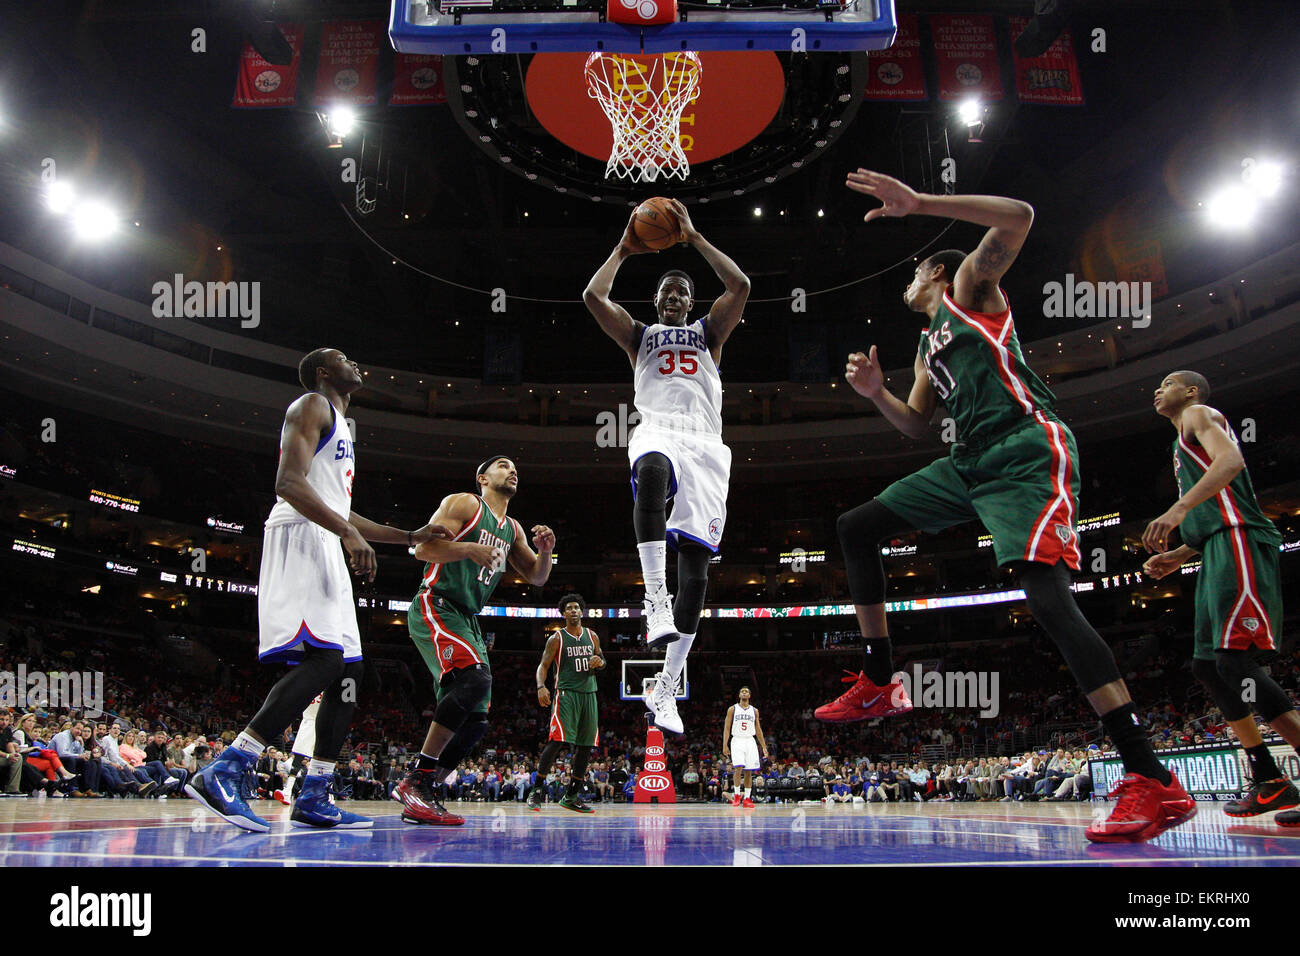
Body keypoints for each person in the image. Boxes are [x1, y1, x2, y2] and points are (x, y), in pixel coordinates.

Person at [817, 169, 1195, 844]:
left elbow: (1018, 214)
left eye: (912, 276)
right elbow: (916, 426)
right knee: (858, 526)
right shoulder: (926, 347)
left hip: (1025, 452)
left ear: (934, 270)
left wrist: (922, 204)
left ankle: (1151, 776)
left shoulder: (968, 290)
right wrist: (877, 393)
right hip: (969, 464)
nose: (906, 287)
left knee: (1047, 600)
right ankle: (880, 676)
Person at [187, 348, 450, 832]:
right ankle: (228, 767)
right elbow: (288, 483)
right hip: (301, 533)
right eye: (346, 359)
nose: (358, 364)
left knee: (350, 668)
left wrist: (410, 536)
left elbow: (341, 509)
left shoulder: (345, 428)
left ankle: (314, 793)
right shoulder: (311, 405)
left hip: (326, 533)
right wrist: (346, 534)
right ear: (325, 372)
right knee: (325, 660)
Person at [583, 200, 751, 735]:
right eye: (665, 292)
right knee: (650, 473)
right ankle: (653, 597)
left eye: (681, 290)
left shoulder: (711, 334)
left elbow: (740, 286)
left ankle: (664, 687)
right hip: (659, 430)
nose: (673, 296)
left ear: (691, 300)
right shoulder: (639, 336)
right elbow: (593, 296)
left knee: (697, 578)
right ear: (655, 302)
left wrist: (696, 239)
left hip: (707, 445)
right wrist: (624, 248)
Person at [1144, 371, 1300, 825]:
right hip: (1216, 545)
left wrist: (1178, 509)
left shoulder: (1199, 414)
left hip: (1240, 541)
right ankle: (1269, 779)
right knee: (1207, 666)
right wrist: (1179, 552)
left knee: (1235, 663)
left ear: (1190, 391)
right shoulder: (1181, 443)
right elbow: (1219, 504)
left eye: (1168, 382)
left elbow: (1230, 462)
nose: (1158, 389)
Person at [393, 456, 555, 825]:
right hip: (437, 602)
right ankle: (415, 778)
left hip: (467, 617)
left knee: (477, 719)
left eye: (516, 467)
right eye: (502, 465)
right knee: (475, 678)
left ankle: (424, 790)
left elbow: (537, 577)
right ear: (482, 478)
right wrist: (468, 549)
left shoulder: (512, 529)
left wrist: (545, 551)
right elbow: (423, 548)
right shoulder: (465, 503)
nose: (512, 470)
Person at [529, 593, 605, 813]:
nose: (573, 610)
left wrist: (600, 662)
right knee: (556, 741)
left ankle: (571, 796)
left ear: (582, 611)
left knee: (585, 746)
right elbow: (543, 666)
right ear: (563, 613)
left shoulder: (593, 636)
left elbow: (601, 659)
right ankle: (536, 790)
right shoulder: (557, 639)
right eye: (569, 608)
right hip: (566, 694)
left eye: (576, 607)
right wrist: (541, 687)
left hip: (589, 694)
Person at [722, 686, 768, 809]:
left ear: (749, 696)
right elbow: (727, 727)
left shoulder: (754, 711)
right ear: (739, 695)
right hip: (737, 739)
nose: (744, 693)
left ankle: (747, 798)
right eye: (742, 691)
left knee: (749, 771)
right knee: (738, 768)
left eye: (746, 691)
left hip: (750, 740)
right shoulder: (732, 709)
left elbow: (758, 729)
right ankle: (737, 795)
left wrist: (763, 746)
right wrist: (724, 744)